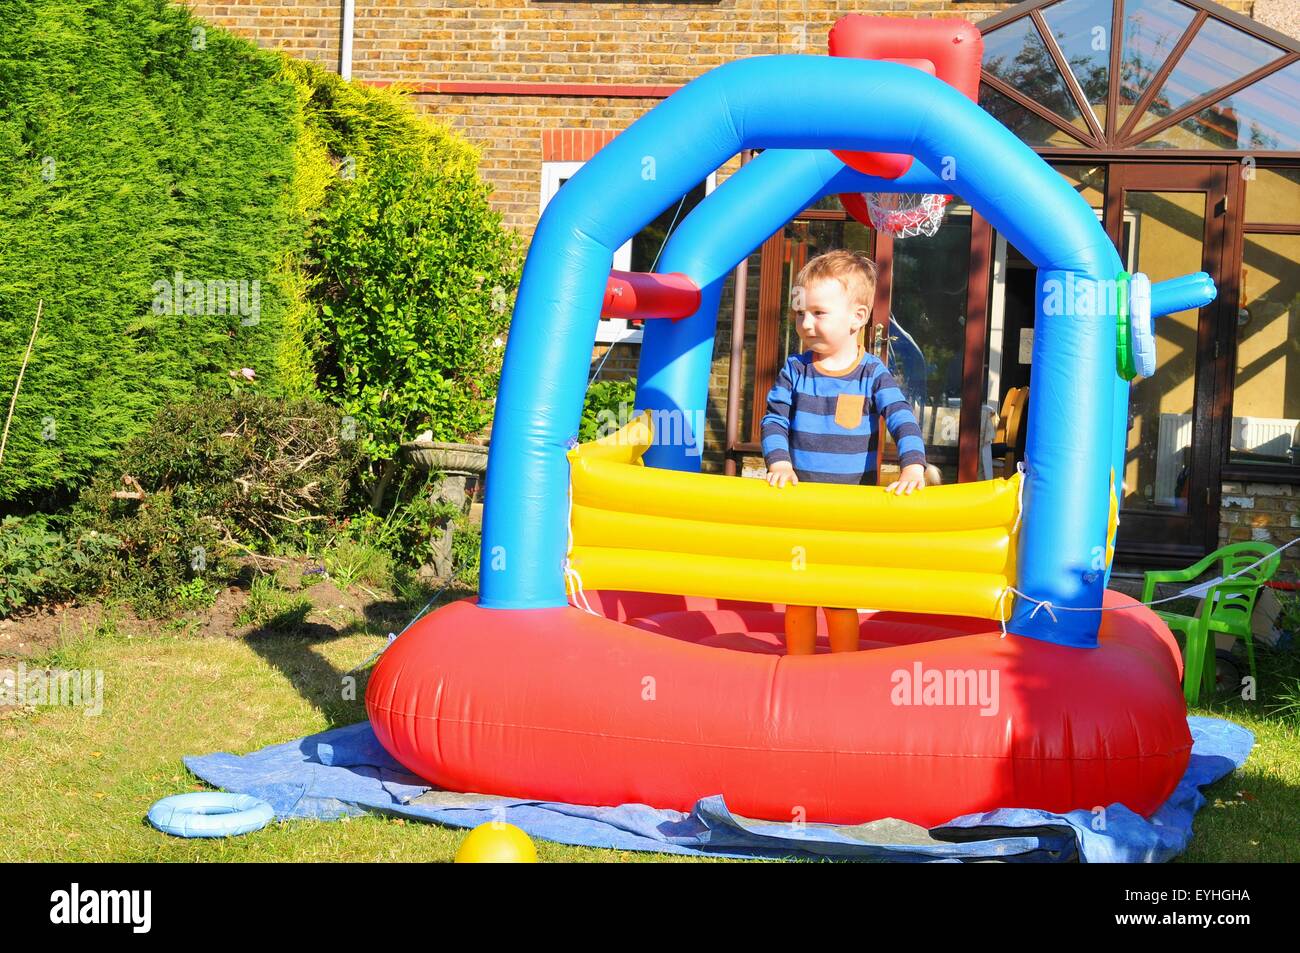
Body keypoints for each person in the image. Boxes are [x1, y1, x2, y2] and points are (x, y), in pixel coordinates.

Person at [760, 249, 929, 656]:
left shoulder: (872, 373)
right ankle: (798, 664)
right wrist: (779, 461)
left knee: (838, 595)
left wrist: (913, 464)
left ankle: (843, 666)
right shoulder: (795, 371)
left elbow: (901, 416)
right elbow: (773, 421)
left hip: (848, 511)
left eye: (819, 313)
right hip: (802, 505)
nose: (806, 323)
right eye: (800, 313)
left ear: (857, 317)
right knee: (798, 595)